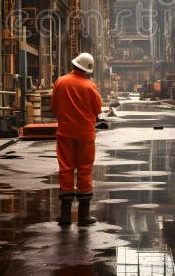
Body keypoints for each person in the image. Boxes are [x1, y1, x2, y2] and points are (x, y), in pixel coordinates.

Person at [51, 52, 103, 226]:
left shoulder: (60, 81)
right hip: (85, 135)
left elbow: (55, 107)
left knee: (65, 168)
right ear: (87, 70)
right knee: (84, 169)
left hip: (65, 133)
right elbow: (97, 109)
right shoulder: (90, 86)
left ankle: (65, 216)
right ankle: (83, 216)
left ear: (74, 64)